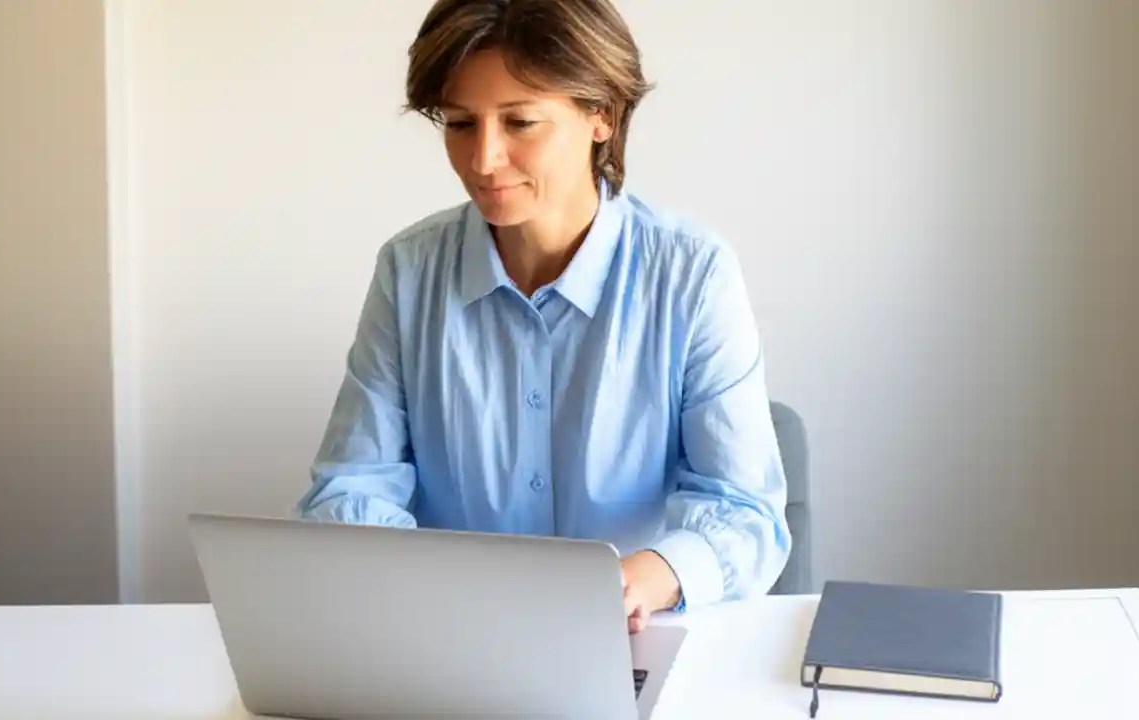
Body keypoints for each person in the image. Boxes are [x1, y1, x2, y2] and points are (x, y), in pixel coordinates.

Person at [295, 0, 790, 633]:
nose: (483, 160)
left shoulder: (692, 274)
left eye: (521, 122)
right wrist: (434, 586)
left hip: (634, 637)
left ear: (601, 117)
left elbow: (745, 510)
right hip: (449, 636)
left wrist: (645, 578)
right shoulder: (409, 270)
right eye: (459, 123)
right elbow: (349, 489)